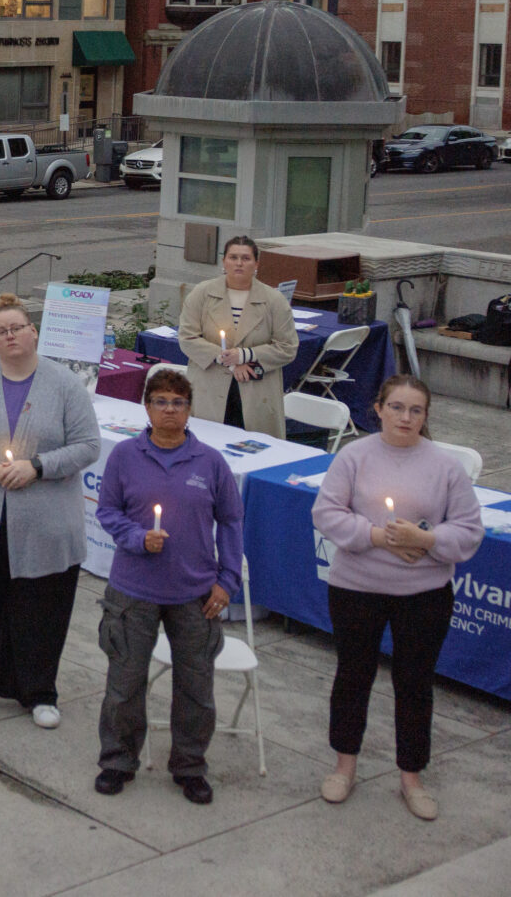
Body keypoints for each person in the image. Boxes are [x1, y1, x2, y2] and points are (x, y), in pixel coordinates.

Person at [311, 375, 483, 822]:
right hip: (357, 589)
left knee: (414, 683)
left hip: (422, 595)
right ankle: (344, 765)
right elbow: (326, 513)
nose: (406, 418)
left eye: (416, 411)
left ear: (426, 417)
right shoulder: (354, 456)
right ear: (379, 408)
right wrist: (377, 537)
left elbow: (468, 531)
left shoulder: (445, 467)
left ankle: (412, 775)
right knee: (353, 677)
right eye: (398, 408)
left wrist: (424, 539)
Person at [0, 293, 100, 727]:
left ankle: (40, 692)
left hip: (45, 524)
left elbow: (88, 445)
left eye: (16, 328)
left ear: (34, 332)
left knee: (41, 609)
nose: (9, 336)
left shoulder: (64, 384)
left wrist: (39, 467)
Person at [92, 367, 244, 804]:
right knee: (124, 684)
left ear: (190, 409)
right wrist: (138, 538)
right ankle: (117, 761)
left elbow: (232, 522)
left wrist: (227, 581)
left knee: (197, 689)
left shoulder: (210, 462)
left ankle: (190, 765)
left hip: (196, 595)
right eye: (161, 401)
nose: (170, 411)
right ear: (147, 407)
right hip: (133, 592)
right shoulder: (124, 456)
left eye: (179, 403)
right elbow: (107, 512)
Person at [178, 235, 299, 434]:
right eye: (233, 257)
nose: (239, 263)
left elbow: (287, 347)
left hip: (256, 393)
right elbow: (187, 338)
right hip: (210, 390)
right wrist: (231, 361)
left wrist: (244, 356)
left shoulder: (274, 300)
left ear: (256, 263)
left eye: (246, 258)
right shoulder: (201, 293)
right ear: (224, 261)